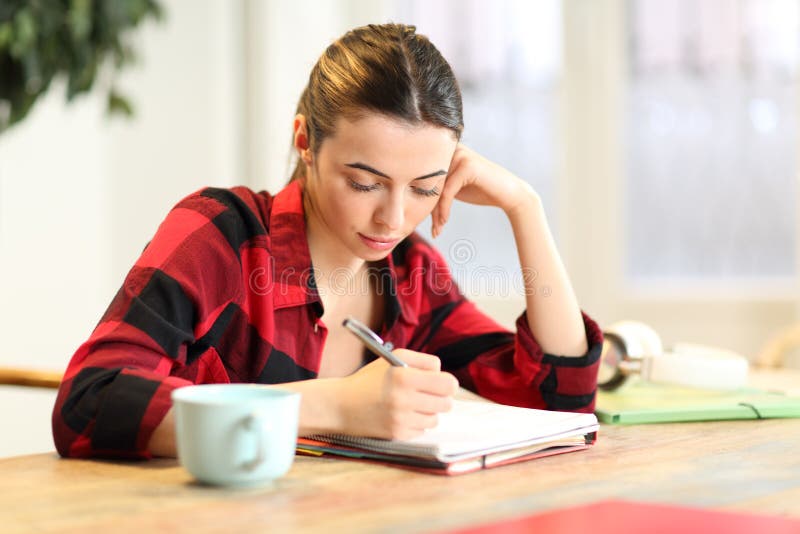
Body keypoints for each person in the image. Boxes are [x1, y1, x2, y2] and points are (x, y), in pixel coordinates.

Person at [52, 23, 602, 459]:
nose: (393, 217)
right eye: (364, 182)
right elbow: (88, 403)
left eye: (425, 189)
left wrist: (525, 207)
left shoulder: (411, 274)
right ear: (305, 142)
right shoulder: (223, 234)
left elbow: (562, 400)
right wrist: (334, 406)